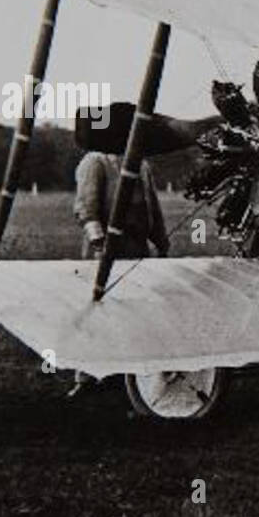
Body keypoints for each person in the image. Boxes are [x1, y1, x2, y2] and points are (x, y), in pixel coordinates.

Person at [69, 151, 168, 395]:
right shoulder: (95, 161)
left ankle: (128, 373)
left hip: (137, 250)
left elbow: (151, 207)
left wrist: (161, 241)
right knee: (98, 312)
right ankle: (87, 377)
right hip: (105, 253)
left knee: (135, 312)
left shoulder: (141, 163)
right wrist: (100, 243)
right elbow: (85, 208)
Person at [73, 151, 170, 260]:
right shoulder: (96, 160)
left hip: (138, 247)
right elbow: (86, 210)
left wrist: (161, 244)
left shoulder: (142, 164)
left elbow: (153, 209)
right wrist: (99, 245)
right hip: (106, 250)